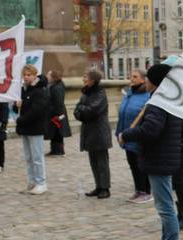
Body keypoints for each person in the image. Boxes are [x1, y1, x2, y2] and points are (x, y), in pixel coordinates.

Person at [120, 64, 183, 240]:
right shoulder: (164, 99)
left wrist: (127, 135)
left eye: (148, 78)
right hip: (163, 158)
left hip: (159, 159)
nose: (145, 81)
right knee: (166, 206)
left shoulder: (158, 103)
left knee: (165, 208)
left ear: (155, 81)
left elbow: (150, 130)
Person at [74, 69, 112, 199]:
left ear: (93, 80)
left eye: (86, 76)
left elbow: (93, 110)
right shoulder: (85, 93)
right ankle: (98, 186)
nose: (83, 79)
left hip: (99, 131)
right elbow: (77, 110)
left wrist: (82, 110)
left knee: (102, 161)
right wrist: (81, 111)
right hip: (89, 131)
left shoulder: (100, 92)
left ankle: (105, 188)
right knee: (93, 161)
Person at [117, 69, 153, 203]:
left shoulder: (147, 96)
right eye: (130, 76)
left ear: (143, 80)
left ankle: (146, 191)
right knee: (132, 164)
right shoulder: (128, 94)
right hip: (127, 136)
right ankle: (138, 190)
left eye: (135, 76)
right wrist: (119, 134)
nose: (131, 78)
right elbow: (123, 115)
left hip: (139, 137)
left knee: (141, 165)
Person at [14, 64, 49, 194]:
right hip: (25, 128)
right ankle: (32, 182)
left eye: (29, 75)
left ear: (34, 75)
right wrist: (16, 105)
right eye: (25, 75)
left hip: (36, 128)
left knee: (37, 157)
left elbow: (37, 110)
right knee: (29, 157)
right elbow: (18, 109)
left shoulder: (40, 90)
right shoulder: (24, 89)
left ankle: (41, 182)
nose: (26, 77)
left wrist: (21, 120)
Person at [45, 69, 71, 156]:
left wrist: (57, 115)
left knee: (57, 133)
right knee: (54, 132)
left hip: (57, 114)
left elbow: (58, 102)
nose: (47, 76)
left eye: (48, 75)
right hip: (55, 113)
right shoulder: (54, 86)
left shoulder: (57, 87)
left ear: (53, 77)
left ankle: (59, 151)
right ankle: (54, 150)